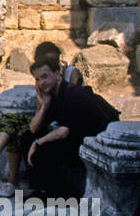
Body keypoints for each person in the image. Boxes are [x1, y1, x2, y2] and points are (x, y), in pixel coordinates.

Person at [0, 43, 85, 196]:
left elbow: (69, 97)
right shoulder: (43, 84)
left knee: (18, 127)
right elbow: (36, 124)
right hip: (53, 124)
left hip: (70, 127)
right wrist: (43, 103)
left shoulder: (70, 73)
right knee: (11, 121)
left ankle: (3, 174)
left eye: (52, 63)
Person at [26, 52, 119, 199]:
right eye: (37, 79)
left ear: (58, 74)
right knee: (28, 138)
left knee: (42, 148)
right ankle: (43, 191)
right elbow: (33, 128)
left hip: (93, 140)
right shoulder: (51, 95)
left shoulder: (72, 93)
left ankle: (59, 195)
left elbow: (63, 131)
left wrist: (38, 143)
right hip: (76, 138)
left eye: (44, 77)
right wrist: (43, 106)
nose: (41, 83)